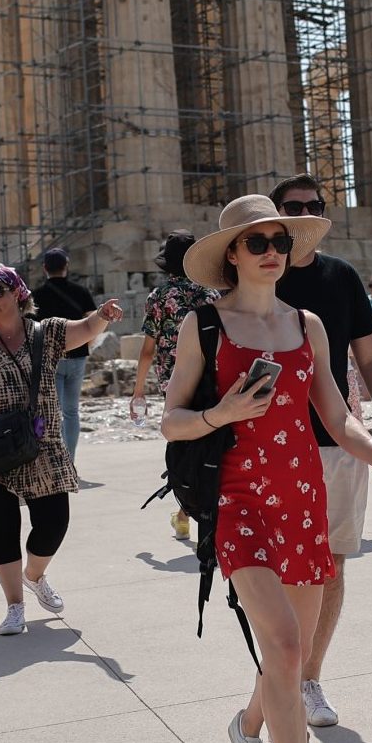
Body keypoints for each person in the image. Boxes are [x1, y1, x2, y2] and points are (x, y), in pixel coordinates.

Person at [163, 194, 372, 743]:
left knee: (290, 655)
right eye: (258, 242)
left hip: (302, 501)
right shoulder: (203, 326)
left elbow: (336, 417)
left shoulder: (308, 325)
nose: (272, 251)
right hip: (239, 503)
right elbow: (171, 421)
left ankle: (247, 727)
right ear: (231, 254)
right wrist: (220, 414)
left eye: (280, 240)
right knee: (280, 646)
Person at [270, 173, 372, 730]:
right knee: (279, 571)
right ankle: (276, 679)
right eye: (292, 207)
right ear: (274, 213)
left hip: (337, 437)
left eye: (314, 205)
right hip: (270, 445)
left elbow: (370, 358)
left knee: (330, 563)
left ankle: (308, 677)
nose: (304, 214)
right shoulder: (255, 276)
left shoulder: (341, 277)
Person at [0, 266, 122, 636]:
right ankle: (14, 606)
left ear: (18, 294)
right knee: (3, 527)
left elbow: (85, 328)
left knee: (55, 522)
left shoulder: (46, 332)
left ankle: (34, 575)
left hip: (41, 445)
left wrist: (102, 316)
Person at [130, 231, 219, 543]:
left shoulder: (159, 297)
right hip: (211, 380)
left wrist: (138, 391)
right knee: (210, 445)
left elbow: (147, 350)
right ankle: (191, 512)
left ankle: (185, 513)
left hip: (175, 382)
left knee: (183, 448)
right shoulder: (211, 294)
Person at [29, 248, 98, 462]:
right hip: (77, 356)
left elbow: (30, 329)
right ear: (66, 266)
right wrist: (86, 346)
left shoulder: (36, 296)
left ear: (44, 268)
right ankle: (70, 460)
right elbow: (93, 322)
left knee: (53, 411)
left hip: (50, 359)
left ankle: (56, 461)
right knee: (71, 412)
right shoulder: (81, 292)